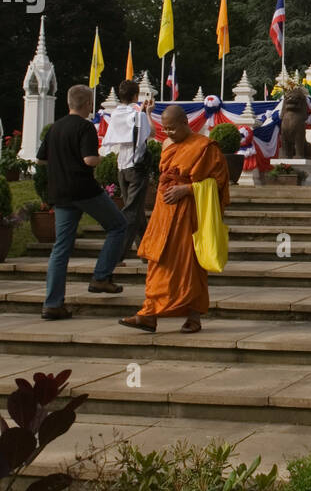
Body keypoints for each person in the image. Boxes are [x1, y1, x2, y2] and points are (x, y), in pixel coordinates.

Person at [118, 103, 229, 334]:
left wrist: (188, 189)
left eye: (172, 128)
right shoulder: (168, 145)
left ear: (185, 124)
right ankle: (149, 314)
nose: (167, 133)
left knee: (190, 265)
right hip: (163, 214)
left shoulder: (205, 147)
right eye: (165, 129)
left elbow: (218, 183)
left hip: (189, 214)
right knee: (157, 264)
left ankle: (194, 316)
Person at [37, 84, 128, 319]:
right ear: (88, 104)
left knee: (61, 248)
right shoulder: (85, 127)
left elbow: (41, 160)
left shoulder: (55, 128)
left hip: (60, 193)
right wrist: (104, 158)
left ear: (68, 103)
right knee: (118, 225)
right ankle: (100, 277)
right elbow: (89, 160)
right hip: (84, 190)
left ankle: (52, 303)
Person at [100, 79, 153, 257]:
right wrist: (148, 113)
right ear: (135, 96)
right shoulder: (138, 115)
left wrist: (143, 112)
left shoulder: (115, 114)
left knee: (136, 211)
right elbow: (150, 133)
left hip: (122, 165)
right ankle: (117, 254)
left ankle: (146, 250)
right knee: (131, 211)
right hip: (136, 166)